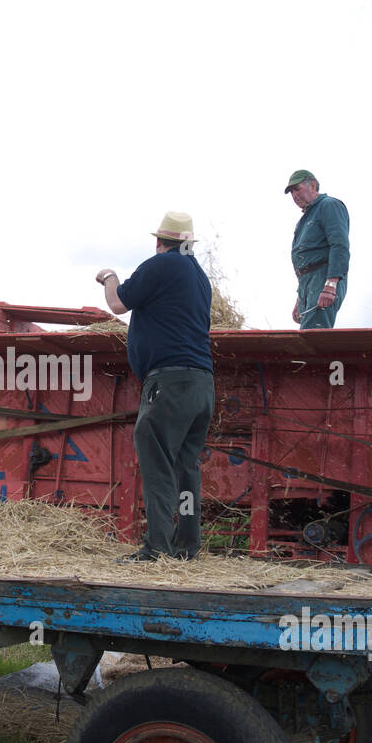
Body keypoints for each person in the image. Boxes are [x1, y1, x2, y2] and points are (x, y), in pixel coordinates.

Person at [96, 212, 214, 561]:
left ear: (160, 242)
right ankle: (186, 546)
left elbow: (117, 303)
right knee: (186, 467)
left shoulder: (161, 266)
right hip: (202, 384)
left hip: (169, 383)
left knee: (157, 463)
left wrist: (109, 277)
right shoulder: (201, 279)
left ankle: (156, 548)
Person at [284, 170, 349, 329]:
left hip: (322, 278)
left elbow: (339, 245)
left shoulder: (329, 205)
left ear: (312, 185)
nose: (294, 195)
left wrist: (331, 285)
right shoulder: (304, 220)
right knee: (307, 332)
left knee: (314, 334)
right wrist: (300, 299)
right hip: (308, 284)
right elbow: (306, 263)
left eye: (297, 189)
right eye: (291, 192)